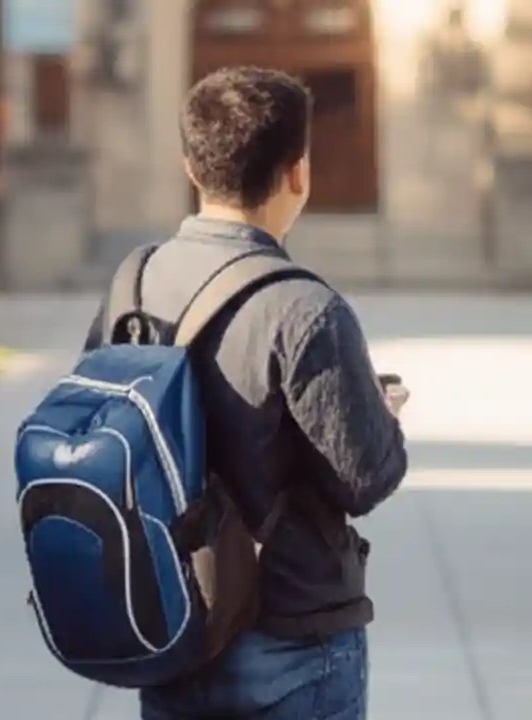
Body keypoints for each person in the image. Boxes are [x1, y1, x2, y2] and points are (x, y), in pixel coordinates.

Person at [81, 66, 409, 719]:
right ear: (298, 173)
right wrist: (382, 415)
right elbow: (364, 479)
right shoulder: (305, 307)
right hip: (291, 633)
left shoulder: (135, 282)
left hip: (171, 627)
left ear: (190, 168)